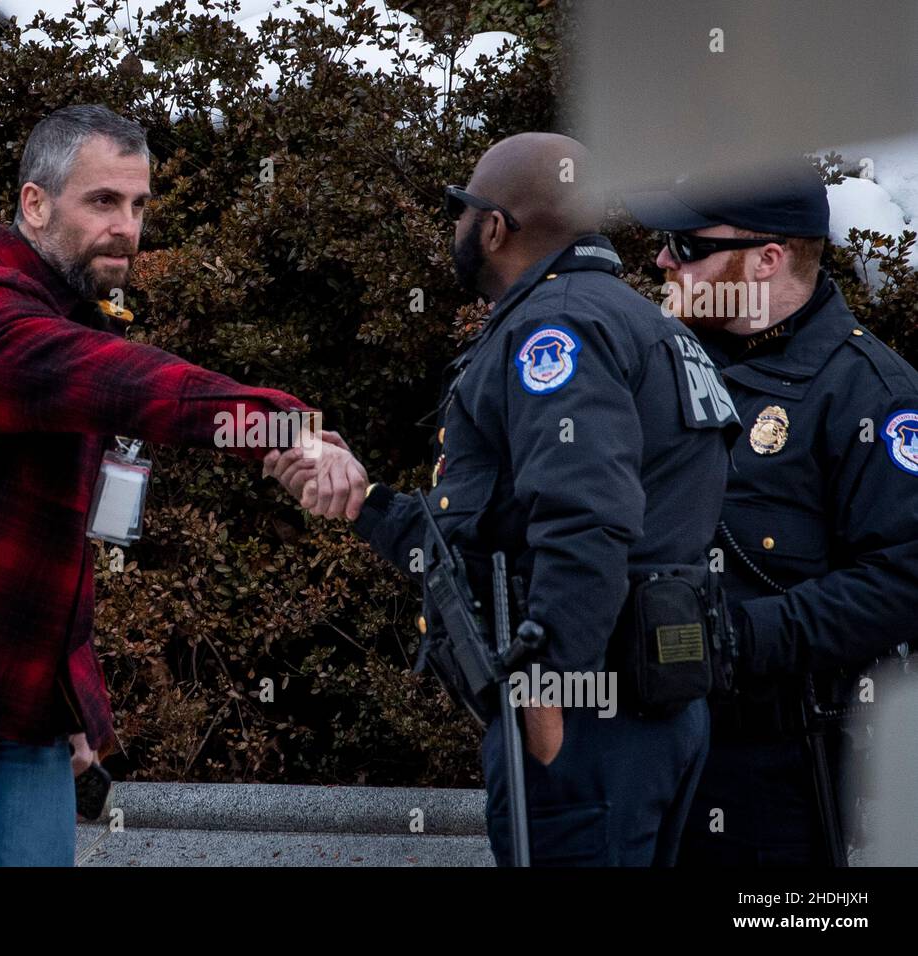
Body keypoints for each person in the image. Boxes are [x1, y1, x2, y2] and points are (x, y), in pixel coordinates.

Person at [0, 104, 366, 866]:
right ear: (35, 204)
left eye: (138, 204)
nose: (126, 227)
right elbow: (138, 387)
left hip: (13, 712)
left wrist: (71, 701)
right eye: (102, 201)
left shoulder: (78, 318)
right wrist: (287, 427)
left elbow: (55, 545)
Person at [269, 133, 741, 865]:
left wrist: (549, 684)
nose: (456, 225)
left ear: (494, 226)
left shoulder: (555, 330)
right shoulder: (638, 321)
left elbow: (588, 516)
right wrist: (366, 502)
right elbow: (489, 532)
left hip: (588, 725)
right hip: (645, 711)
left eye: (462, 208)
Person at [624, 160, 918, 865]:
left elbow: (903, 581)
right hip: (641, 750)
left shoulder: (871, 396)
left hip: (773, 769)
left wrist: (733, 639)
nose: (663, 259)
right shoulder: (658, 369)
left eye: (689, 245)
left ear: (767, 260)